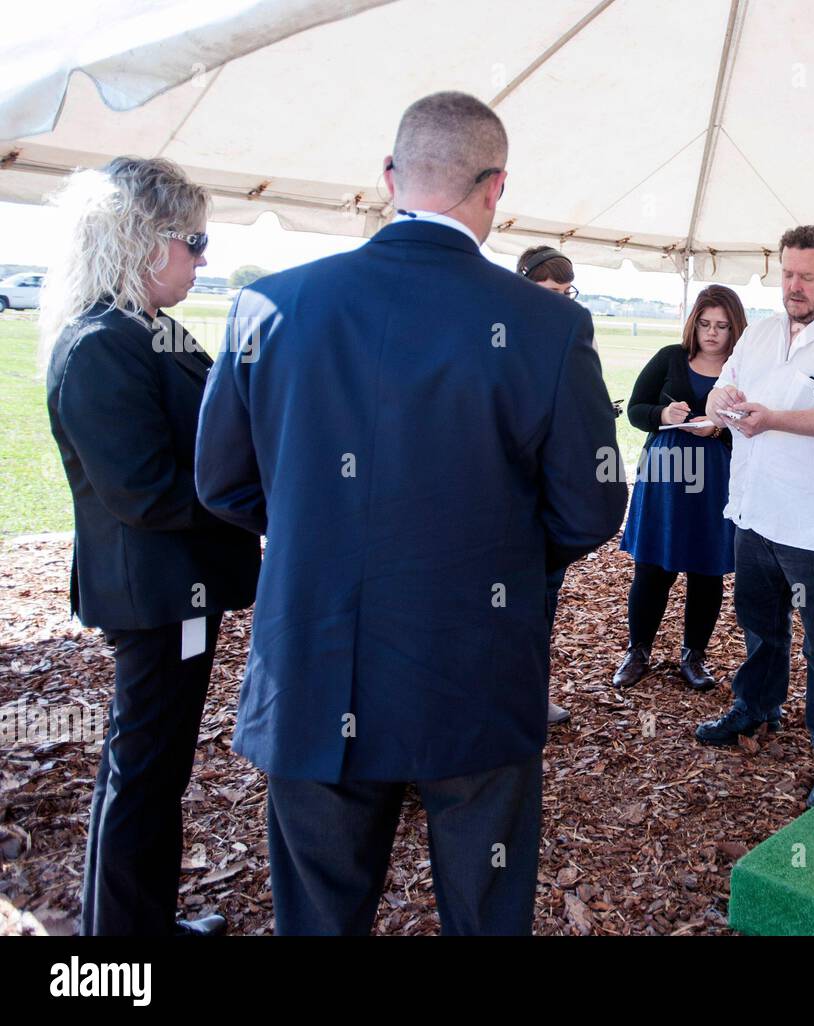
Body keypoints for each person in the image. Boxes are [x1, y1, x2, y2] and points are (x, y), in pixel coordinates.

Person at [195, 91, 626, 935]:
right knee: (484, 912)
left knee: (319, 916)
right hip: (475, 665)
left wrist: (321, 536)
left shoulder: (271, 307)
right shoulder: (547, 326)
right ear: (495, 188)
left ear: (390, 177)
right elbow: (587, 508)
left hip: (318, 660)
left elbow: (222, 483)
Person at [41, 156, 261, 935]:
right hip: (157, 592)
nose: (204, 258)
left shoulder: (149, 329)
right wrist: (260, 505)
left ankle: (142, 925)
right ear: (138, 238)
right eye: (193, 241)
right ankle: (118, 947)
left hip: (182, 587)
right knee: (141, 773)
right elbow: (144, 491)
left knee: (155, 770)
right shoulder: (103, 343)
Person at [694, 225, 814, 809]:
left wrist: (773, 418)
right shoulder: (760, 335)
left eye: (806, 275)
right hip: (755, 509)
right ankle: (756, 708)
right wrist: (717, 404)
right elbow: (717, 392)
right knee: (759, 623)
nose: (793, 286)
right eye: (786, 273)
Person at [614, 285, 748, 692]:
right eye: (705, 323)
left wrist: (721, 426)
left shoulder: (743, 369)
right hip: (665, 471)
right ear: (694, 323)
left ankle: (694, 656)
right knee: (653, 566)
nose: (712, 333)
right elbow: (636, 411)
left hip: (714, 477)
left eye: (722, 326)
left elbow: (755, 426)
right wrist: (661, 413)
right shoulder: (670, 357)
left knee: (706, 569)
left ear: (734, 329)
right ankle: (638, 651)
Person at [517, 245, 580, 726]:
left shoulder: (573, 339)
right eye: (552, 291)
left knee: (543, 603)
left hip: (548, 500)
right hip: (505, 499)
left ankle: (532, 693)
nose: (561, 300)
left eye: (567, 291)